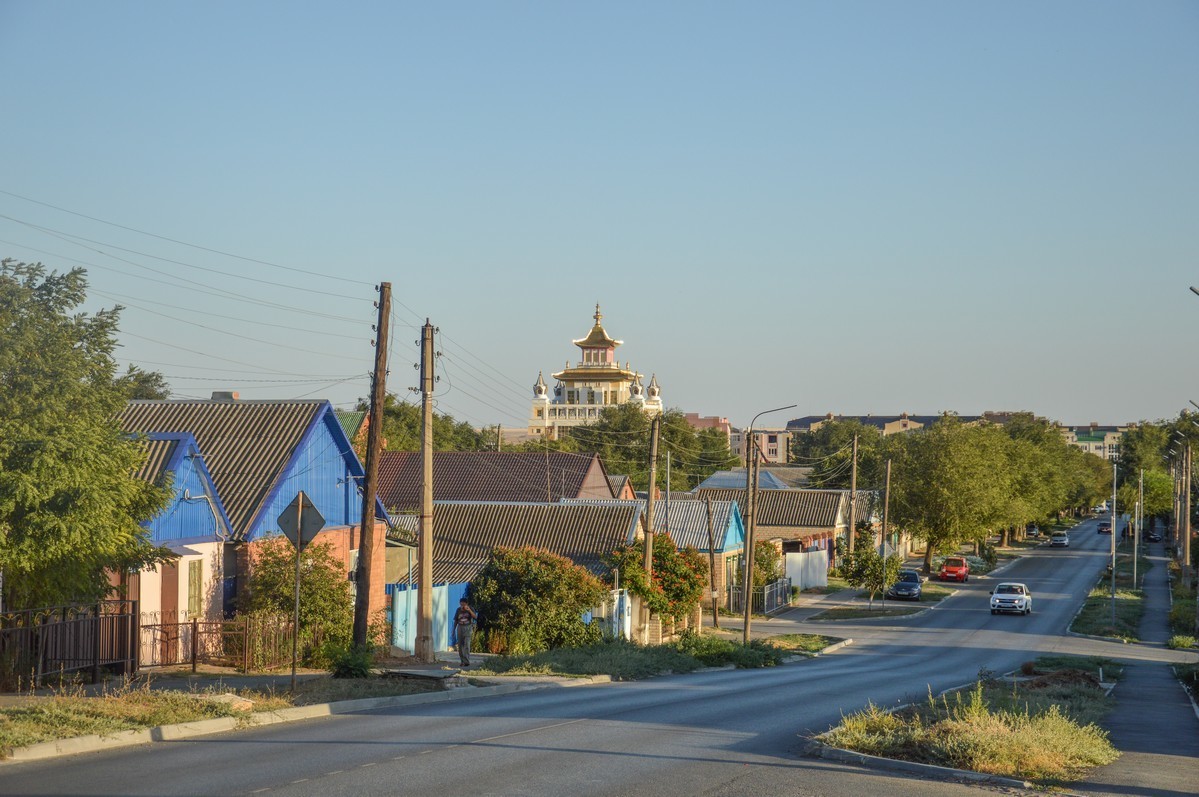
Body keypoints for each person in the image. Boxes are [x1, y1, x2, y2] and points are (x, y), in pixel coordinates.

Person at [453, 598, 477, 667]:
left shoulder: (470, 609)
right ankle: (462, 661)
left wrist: (469, 610)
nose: (462, 605)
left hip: (468, 627)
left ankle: (467, 661)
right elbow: (456, 620)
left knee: (467, 644)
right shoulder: (458, 610)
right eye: (461, 603)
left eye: (464, 603)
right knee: (460, 645)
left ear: (467, 604)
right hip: (460, 627)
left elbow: (475, 617)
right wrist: (453, 630)